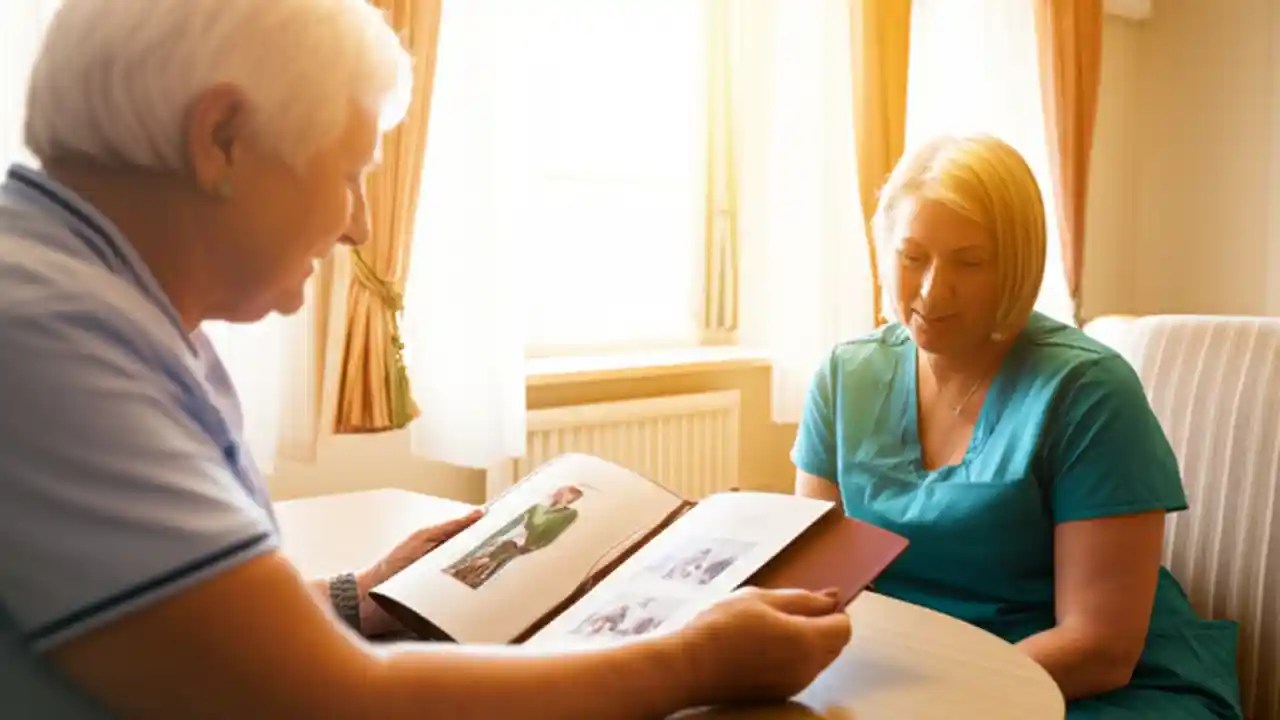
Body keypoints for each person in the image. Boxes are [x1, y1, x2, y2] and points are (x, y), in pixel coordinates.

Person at [0, 1, 851, 718]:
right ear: (221, 138)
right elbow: (334, 703)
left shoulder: (89, 300)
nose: (359, 226)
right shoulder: (48, 340)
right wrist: (693, 662)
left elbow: (170, 628)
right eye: (349, 173)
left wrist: (355, 598)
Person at [793, 134, 1243, 718]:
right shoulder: (843, 376)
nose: (932, 289)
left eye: (970, 261)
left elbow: (1100, 648)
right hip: (904, 678)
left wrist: (940, 703)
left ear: (1017, 266)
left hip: (1085, 686)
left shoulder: (1089, 391)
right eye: (912, 257)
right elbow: (816, 586)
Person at [444, 485, 583, 589]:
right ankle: (461, 575)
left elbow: (539, 526)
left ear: (569, 496)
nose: (556, 492)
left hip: (520, 542)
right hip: (512, 537)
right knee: (486, 558)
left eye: (561, 491)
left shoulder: (566, 514)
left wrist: (530, 543)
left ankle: (463, 576)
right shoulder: (540, 508)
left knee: (489, 560)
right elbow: (522, 522)